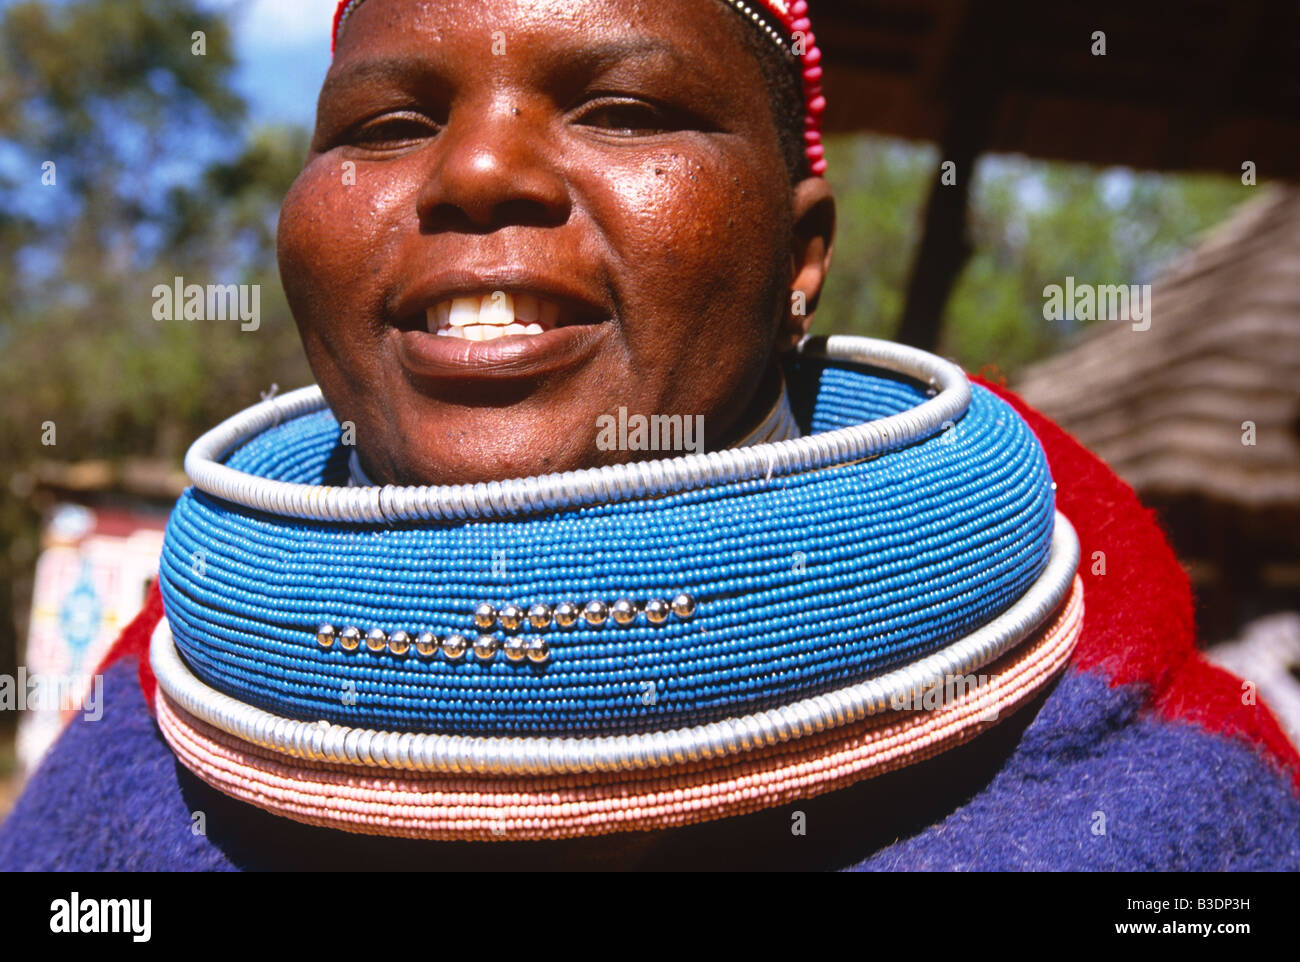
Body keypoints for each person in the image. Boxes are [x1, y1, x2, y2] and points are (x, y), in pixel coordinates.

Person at [1, 0, 1297, 871]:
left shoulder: (1160, 793)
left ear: (802, 256)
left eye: (621, 109)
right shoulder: (135, 757)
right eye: (389, 124)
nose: (476, 174)